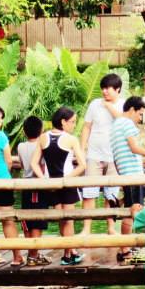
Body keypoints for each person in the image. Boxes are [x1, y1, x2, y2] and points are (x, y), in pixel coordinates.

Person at [111, 96, 145, 262]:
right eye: (140, 114)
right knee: (132, 210)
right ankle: (125, 249)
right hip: (133, 175)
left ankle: (126, 246)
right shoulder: (127, 124)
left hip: (129, 173)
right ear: (132, 110)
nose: (140, 118)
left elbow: (118, 155)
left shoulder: (115, 125)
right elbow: (134, 148)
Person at [31, 107, 86, 266]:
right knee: (68, 220)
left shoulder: (42, 137)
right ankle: (69, 254)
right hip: (67, 183)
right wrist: (66, 180)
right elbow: (82, 165)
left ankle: (70, 253)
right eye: (72, 121)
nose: (74, 125)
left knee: (63, 220)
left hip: (51, 185)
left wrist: (44, 180)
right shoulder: (71, 139)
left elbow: (34, 163)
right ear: (63, 121)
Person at [79, 73, 124, 236]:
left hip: (114, 156)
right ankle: (86, 229)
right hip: (94, 155)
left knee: (111, 194)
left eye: (108, 88)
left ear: (117, 89)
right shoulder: (94, 104)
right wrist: (82, 149)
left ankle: (111, 228)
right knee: (89, 193)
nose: (105, 92)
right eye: (103, 88)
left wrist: (109, 106)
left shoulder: (123, 104)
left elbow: (122, 121)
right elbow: (86, 127)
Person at [0, 103, 23, 266]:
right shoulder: (1, 136)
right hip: (2, 182)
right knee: (8, 220)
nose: (1, 121)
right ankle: (17, 256)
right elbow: (9, 160)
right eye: (0, 118)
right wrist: (5, 173)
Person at [17, 116, 49, 265]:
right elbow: (41, 166)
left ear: (24, 131)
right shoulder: (41, 145)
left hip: (25, 186)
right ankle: (33, 256)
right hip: (37, 186)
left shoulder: (21, 146)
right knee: (37, 219)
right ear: (41, 130)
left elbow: (23, 165)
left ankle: (33, 253)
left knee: (27, 219)